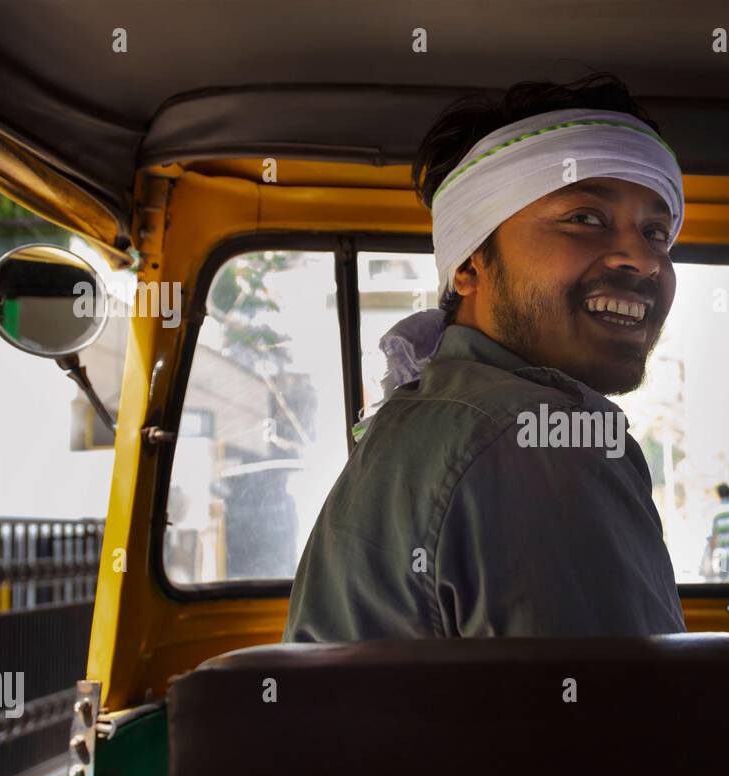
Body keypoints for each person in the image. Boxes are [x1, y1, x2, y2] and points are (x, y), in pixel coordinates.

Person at [283, 73, 687, 641]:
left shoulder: (430, 417)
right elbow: (621, 721)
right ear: (470, 264)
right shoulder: (540, 437)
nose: (643, 260)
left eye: (657, 233)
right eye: (585, 218)